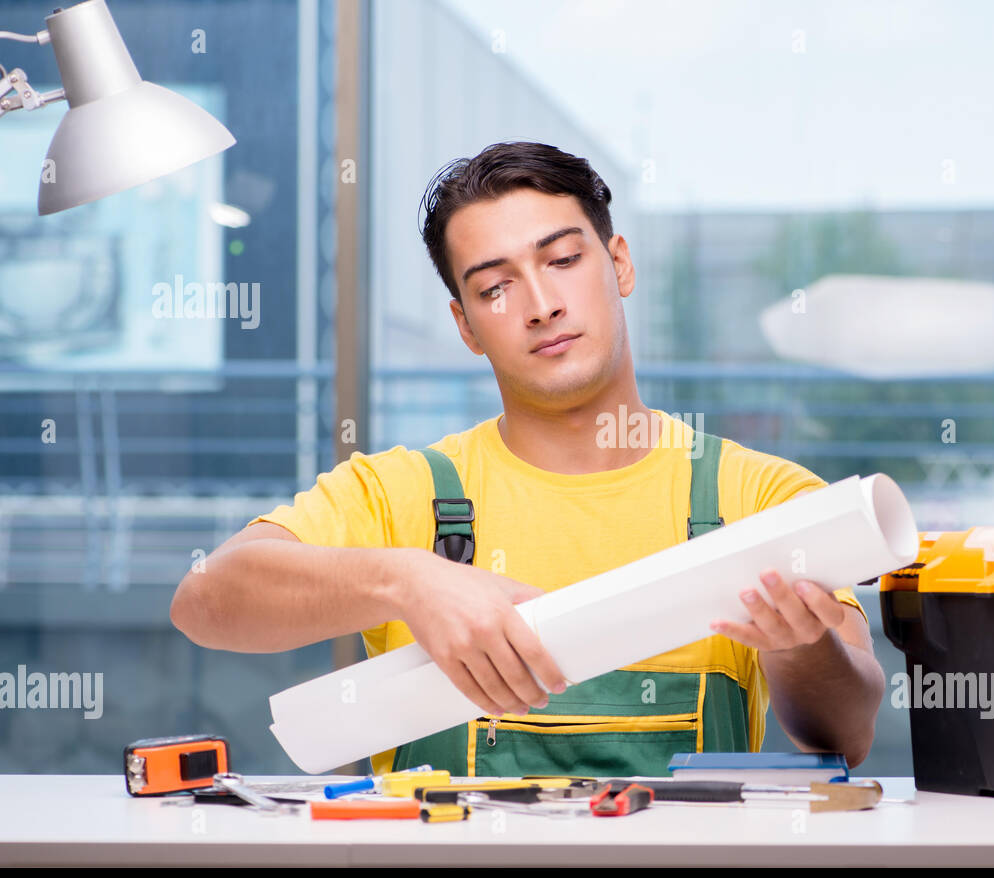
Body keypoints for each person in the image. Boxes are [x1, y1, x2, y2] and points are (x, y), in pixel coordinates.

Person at [170, 141, 886, 777]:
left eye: (564, 260)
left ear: (620, 263)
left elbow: (848, 735)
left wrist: (801, 646)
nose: (540, 304)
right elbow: (205, 600)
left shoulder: (758, 496)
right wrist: (405, 580)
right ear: (466, 326)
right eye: (495, 287)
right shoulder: (406, 494)